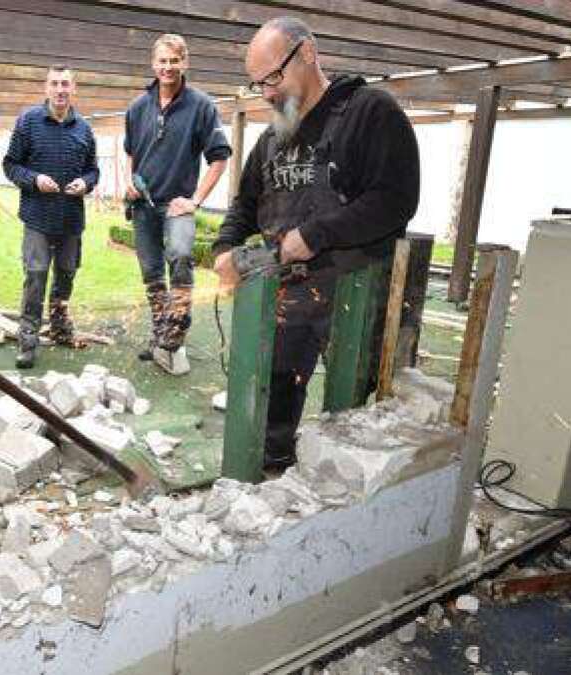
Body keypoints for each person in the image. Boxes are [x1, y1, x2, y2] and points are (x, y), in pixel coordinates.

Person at [212, 17, 420, 470]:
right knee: (274, 404)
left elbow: (396, 200)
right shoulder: (273, 137)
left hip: (356, 295)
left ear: (306, 53)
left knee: (357, 414)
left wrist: (315, 234)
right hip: (289, 296)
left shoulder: (370, 113)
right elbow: (244, 203)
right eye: (257, 83)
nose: (267, 92)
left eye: (273, 77)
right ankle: (274, 469)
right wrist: (225, 248)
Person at [124, 34, 231, 361]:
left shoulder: (201, 106)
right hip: (143, 206)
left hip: (178, 207)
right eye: (162, 61)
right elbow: (131, 151)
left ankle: (176, 330)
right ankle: (160, 333)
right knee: (152, 273)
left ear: (184, 63)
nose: (168, 67)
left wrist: (195, 200)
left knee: (182, 259)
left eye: (174, 61)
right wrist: (130, 182)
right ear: (153, 63)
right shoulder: (137, 107)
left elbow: (219, 158)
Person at [2, 65, 99, 369]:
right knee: (36, 275)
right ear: (46, 88)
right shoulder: (28, 122)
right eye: (55, 83)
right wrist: (34, 180)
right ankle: (28, 341)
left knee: (66, 274)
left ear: (74, 89)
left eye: (66, 84)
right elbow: (11, 165)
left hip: (71, 219)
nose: (60, 89)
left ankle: (59, 327)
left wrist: (86, 183)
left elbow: (93, 170)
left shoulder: (84, 128)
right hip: (37, 217)